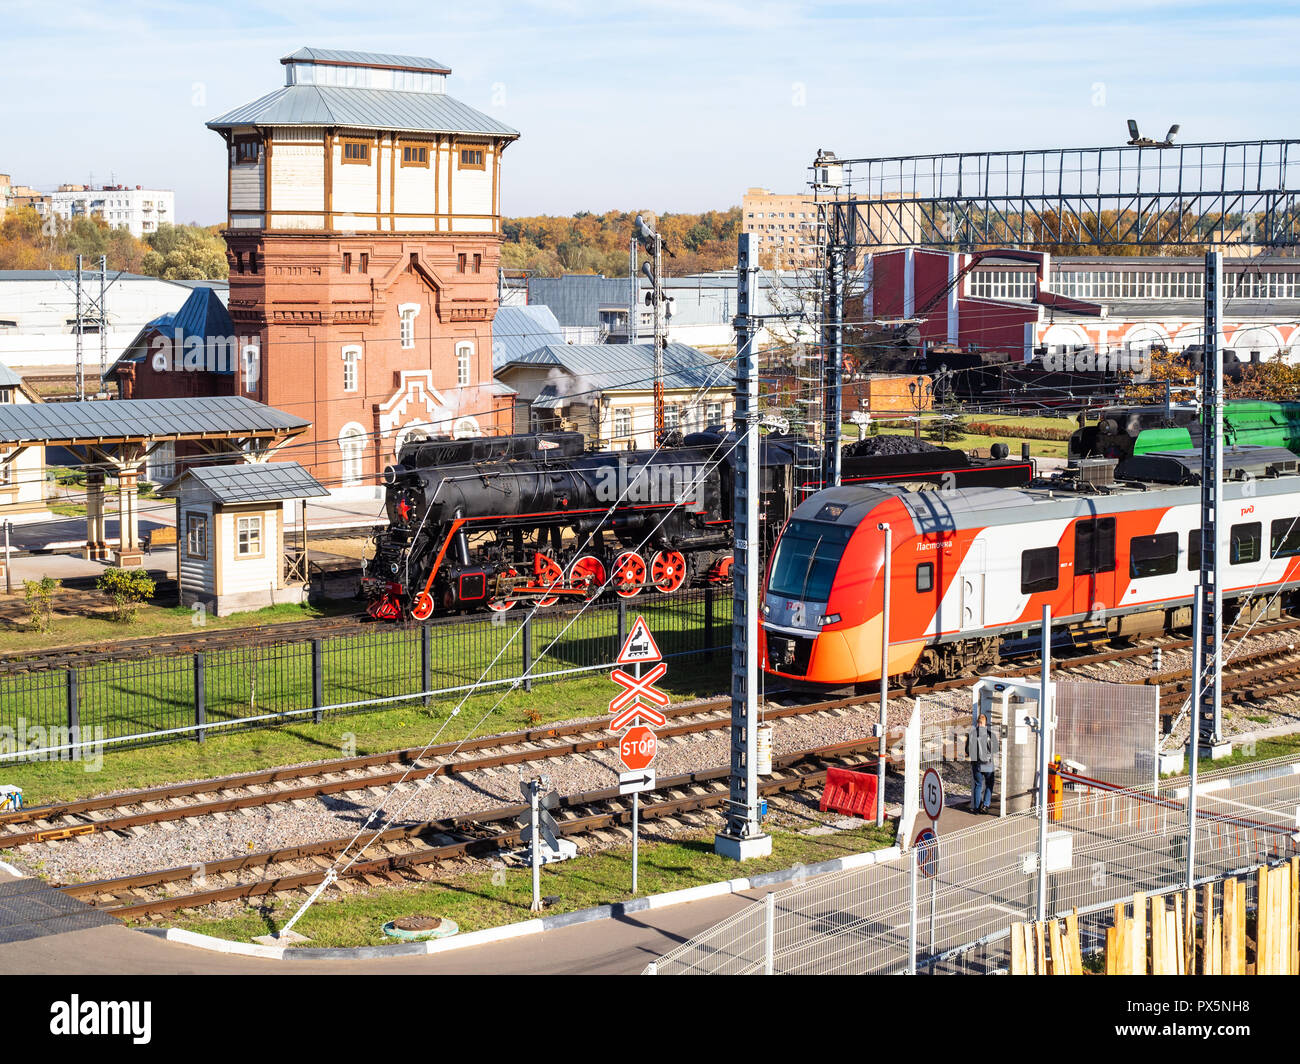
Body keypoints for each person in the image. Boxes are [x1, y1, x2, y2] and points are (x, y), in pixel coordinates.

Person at [967, 713, 998, 814]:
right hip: (988, 764)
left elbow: (967, 750)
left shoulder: (972, 734)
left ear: (977, 723)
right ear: (986, 723)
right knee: (989, 784)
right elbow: (996, 749)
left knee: (978, 785)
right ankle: (985, 805)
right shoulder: (990, 734)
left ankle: (976, 808)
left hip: (977, 764)